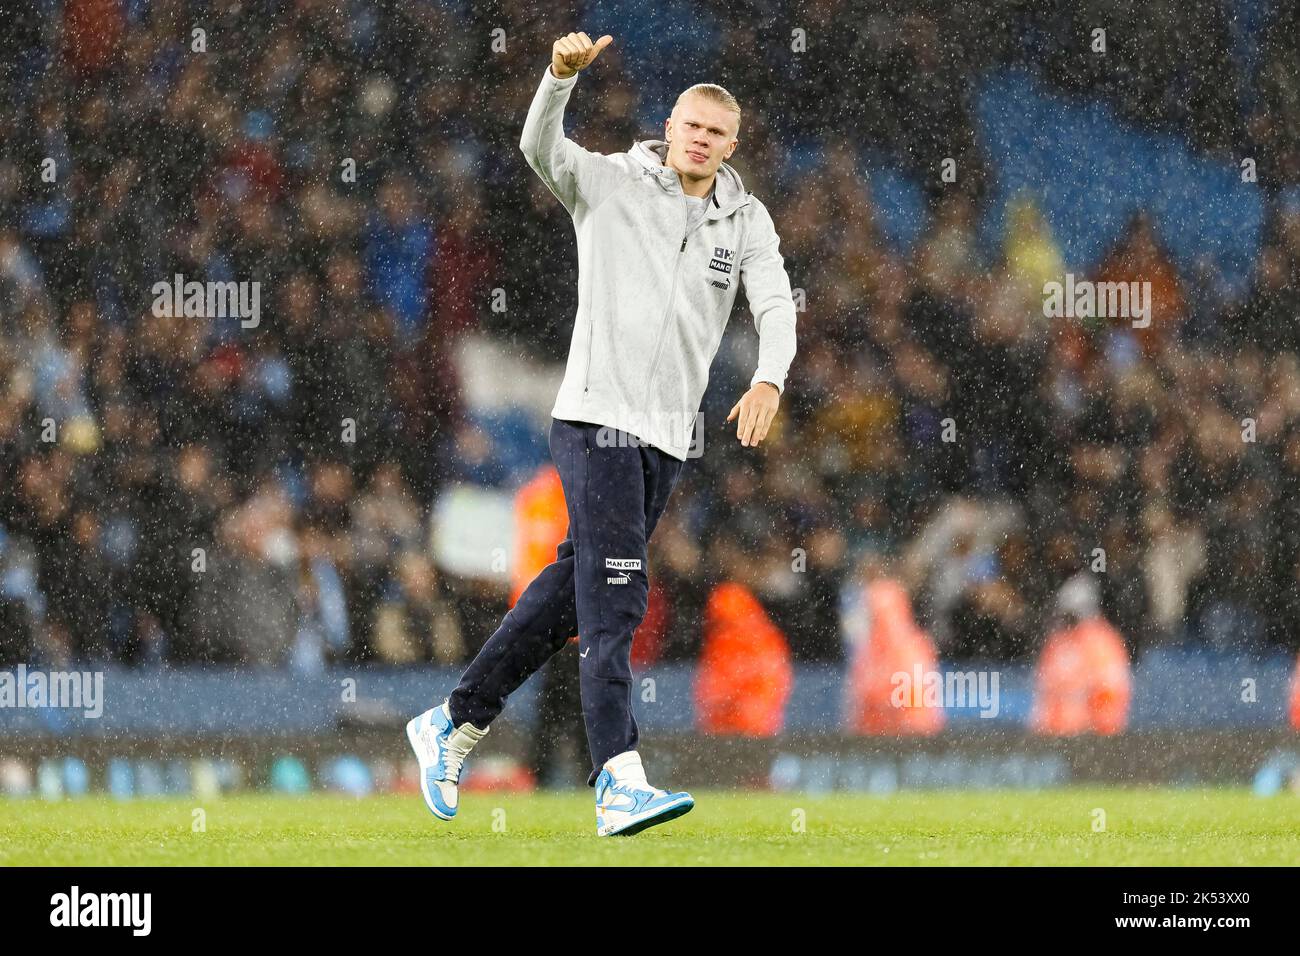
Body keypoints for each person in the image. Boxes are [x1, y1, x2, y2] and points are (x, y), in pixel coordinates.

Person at [406, 31, 797, 836]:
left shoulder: (744, 221)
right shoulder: (615, 182)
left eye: (716, 133)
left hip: (668, 438)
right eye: (690, 124)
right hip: (595, 418)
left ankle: (454, 719)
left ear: (731, 145)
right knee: (619, 595)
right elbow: (536, 146)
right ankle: (617, 774)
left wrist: (769, 377)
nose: (700, 139)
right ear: (671, 124)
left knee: (571, 595)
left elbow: (778, 305)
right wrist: (556, 79)